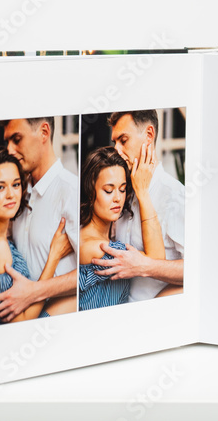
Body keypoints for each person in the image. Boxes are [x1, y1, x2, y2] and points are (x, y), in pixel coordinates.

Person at [0, 148, 72, 329]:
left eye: (16, 184)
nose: (11, 195)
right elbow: (22, 322)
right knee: (72, 299)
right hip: (3, 339)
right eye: (0, 187)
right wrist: (54, 256)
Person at [0, 117, 78, 319]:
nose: (9, 150)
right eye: (7, 141)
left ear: (44, 132)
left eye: (16, 139)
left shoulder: (72, 192)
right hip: (17, 319)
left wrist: (34, 292)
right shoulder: (15, 193)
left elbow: (91, 273)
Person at [91, 110, 185, 302]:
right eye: (114, 142)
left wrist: (145, 266)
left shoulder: (175, 195)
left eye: (123, 140)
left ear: (149, 136)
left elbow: (200, 269)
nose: (116, 150)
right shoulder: (121, 191)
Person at [78, 146, 165, 310]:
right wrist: (143, 192)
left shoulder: (100, 237)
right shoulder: (99, 248)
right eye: (108, 190)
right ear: (90, 192)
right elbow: (156, 259)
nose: (118, 198)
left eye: (123, 189)